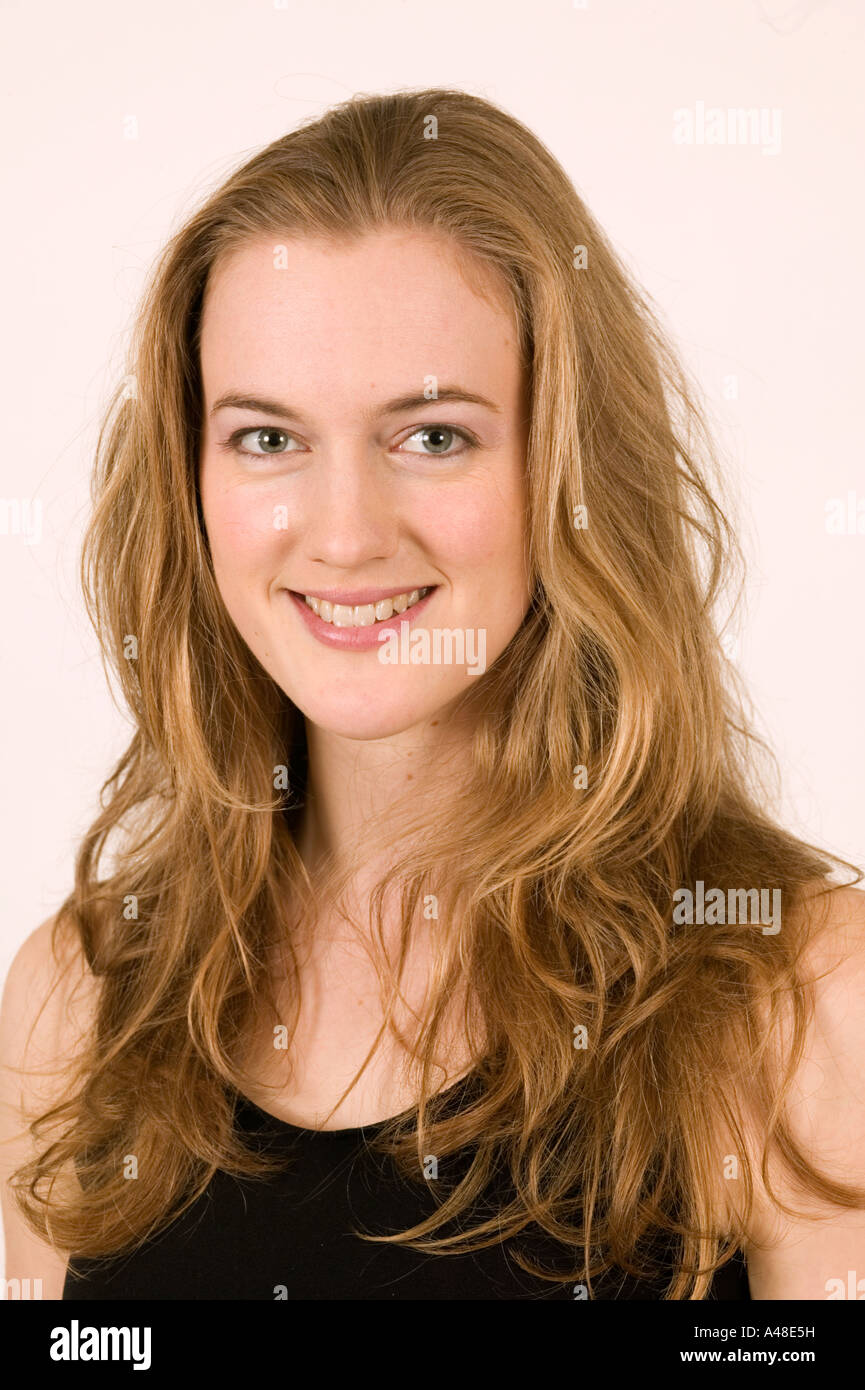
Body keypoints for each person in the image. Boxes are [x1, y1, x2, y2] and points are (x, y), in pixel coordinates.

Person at [2, 87, 864, 1302]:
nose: (344, 534)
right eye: (266, 438)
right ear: (189, 479)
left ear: (566, 463)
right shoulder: (76, 1004)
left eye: (432, 436)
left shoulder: (801, 1000)